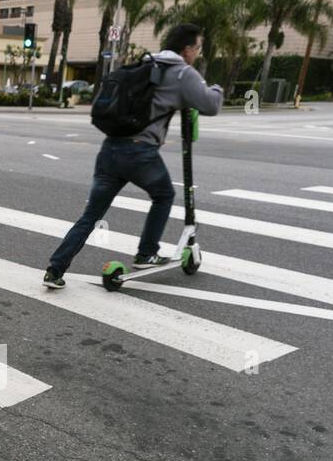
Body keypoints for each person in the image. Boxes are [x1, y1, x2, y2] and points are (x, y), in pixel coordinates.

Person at [42, 23, 222, 288]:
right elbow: (210, 104)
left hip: (110, 149)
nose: (198, 54)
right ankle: (146, 253)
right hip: (140, 152)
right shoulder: (183, 73)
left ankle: (55, 270)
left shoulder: (146, 66)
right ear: (186, 50)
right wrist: (216, 88)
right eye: (198, 48)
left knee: (91, 215)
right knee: (164, 195)